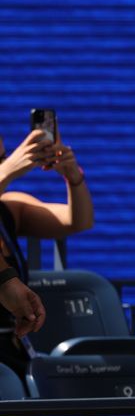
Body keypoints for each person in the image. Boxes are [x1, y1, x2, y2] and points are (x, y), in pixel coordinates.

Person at [0, 123, 92, 377]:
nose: (5, 164)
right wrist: (6, 171)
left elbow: (78, 221)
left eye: (3, 157)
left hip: (13, 354)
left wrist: (72, 175)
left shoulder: (10, 207)